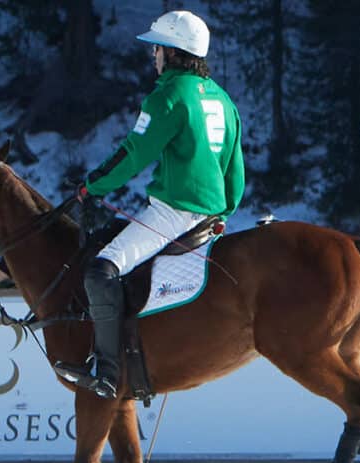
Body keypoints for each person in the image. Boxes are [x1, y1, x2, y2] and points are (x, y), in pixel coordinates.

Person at [61, 10, 247, 399]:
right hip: (210, 218)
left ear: (174, 52)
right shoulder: (223, 99)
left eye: (157, 48)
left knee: (100, 270)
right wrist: (223, 215)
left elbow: (133, 154)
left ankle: (109, 373)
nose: (153, 55)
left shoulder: (168, 95)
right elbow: (234, 170)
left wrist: (91, 186)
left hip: (173, 212)